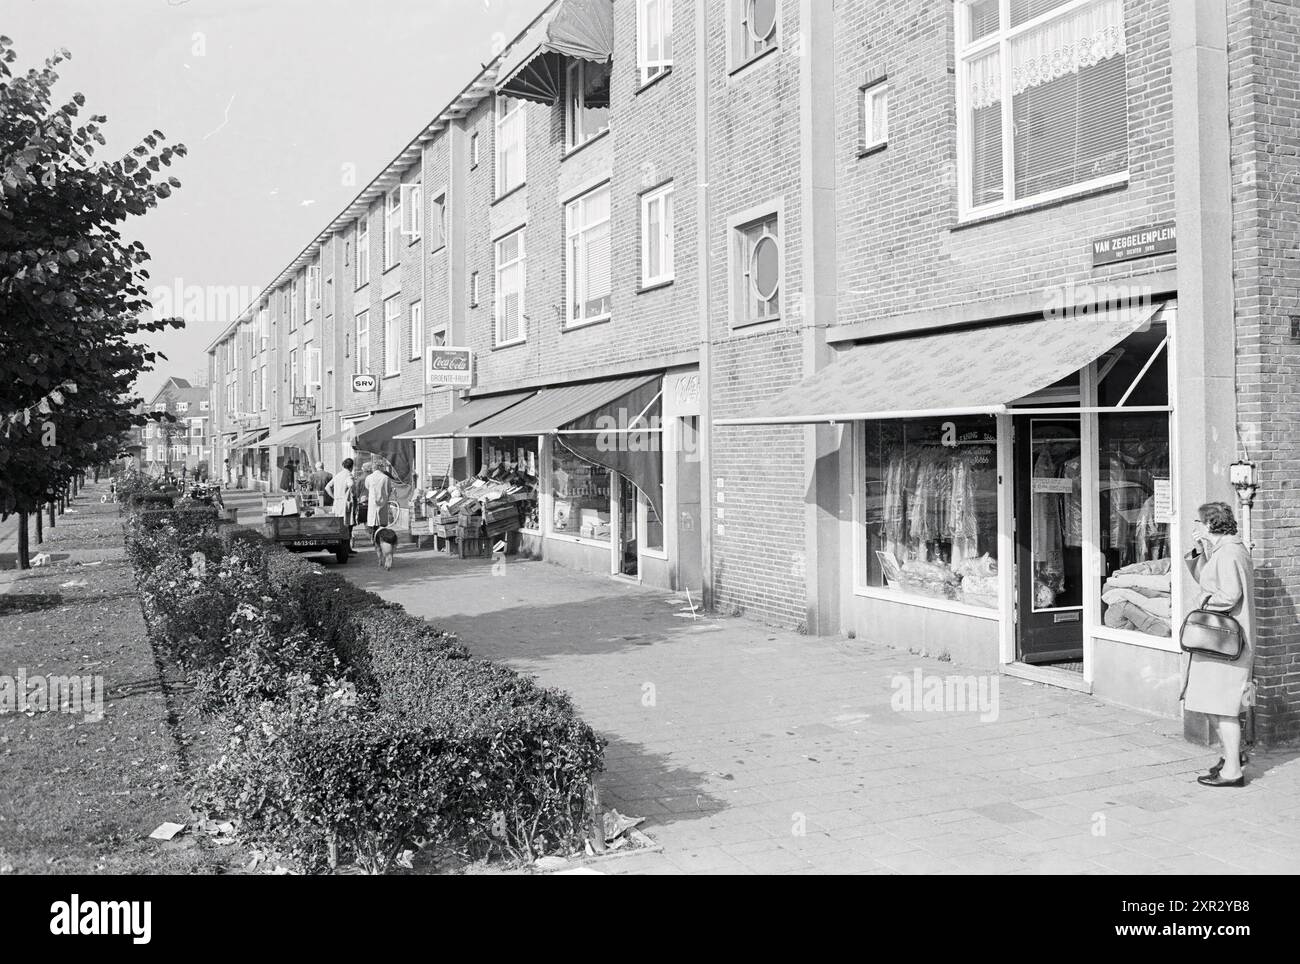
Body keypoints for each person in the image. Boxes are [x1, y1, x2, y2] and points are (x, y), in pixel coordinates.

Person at [1183, 501, 1256, 788]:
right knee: (1214, 703)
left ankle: (1233, 771)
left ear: (1211, 524)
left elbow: (1228, 594)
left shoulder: (1229, 553)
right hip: (1223, 643)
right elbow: (1208, 577)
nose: (1195, 526)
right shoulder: (1225, 550)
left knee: (1224, 707)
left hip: (1225, 645)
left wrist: (1201, 602)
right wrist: (1201, 550)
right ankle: (1231, 757)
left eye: (1199, 522)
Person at [364, 462, 393, 539]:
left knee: (373, 521)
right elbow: (389, 489)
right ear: (380, 467)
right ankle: (381, 537)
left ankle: (373, 536)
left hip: (372, 502)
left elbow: (367, 487)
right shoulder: (385, 478)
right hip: (383, 501)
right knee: (382, 521)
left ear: (374, 468)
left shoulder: (369, 477)